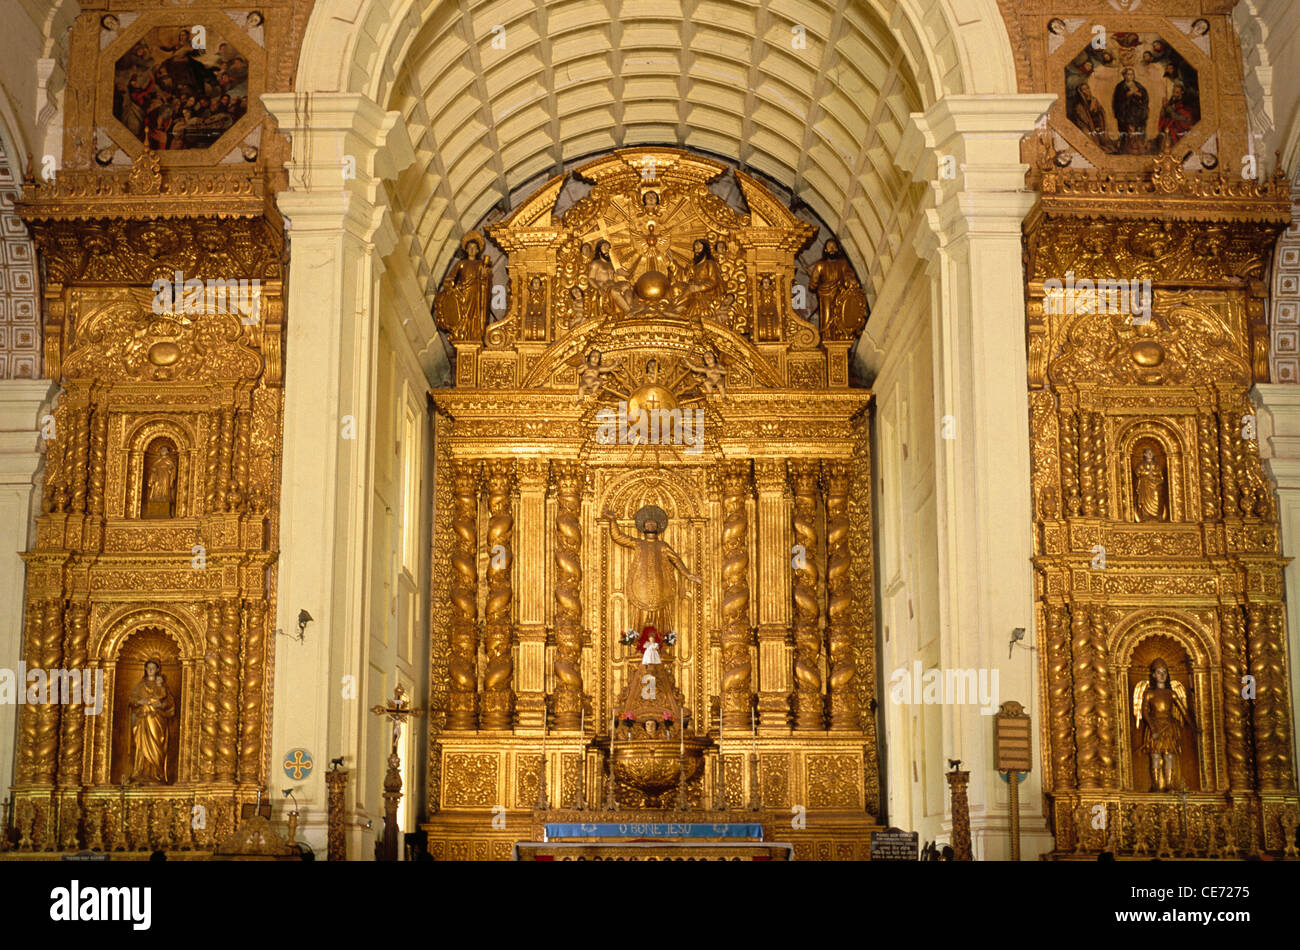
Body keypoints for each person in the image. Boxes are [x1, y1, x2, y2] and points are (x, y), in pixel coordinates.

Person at [602, 504, 701, 635]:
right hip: (640, 587)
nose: (650, 526)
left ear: (658, 527)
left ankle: (661, 644)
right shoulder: (638, 544)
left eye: (653, 525)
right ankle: (638, 643)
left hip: (660, 587)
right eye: (648, 524)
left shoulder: (662, 546)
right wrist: (613, 520)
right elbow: (618, 537)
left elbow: (676, 559)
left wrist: (687, 574)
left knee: (659, 614)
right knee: (640, 612)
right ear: (643, 527)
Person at [129, 660, 175, 785]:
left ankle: (156, 772)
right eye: (148, 668)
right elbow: (132, 699)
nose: (150, 670)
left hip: (157, 720)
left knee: (157, 744)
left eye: (153, 668)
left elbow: (170, 703)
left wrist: (161, 704)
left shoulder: (162, 686)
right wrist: (139, 702)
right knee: (141, 746)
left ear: (157, 670)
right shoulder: (141, 685)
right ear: (145, 669)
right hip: (143, 719)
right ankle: (141, 772)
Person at [1113, 68, 1150, 154]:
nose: (1130, 76)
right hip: (1126, 112)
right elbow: (1118, 100)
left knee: (1138, 129)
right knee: (1128, 129)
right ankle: (1127, 146)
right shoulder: (1120, 86)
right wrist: (1128, 94)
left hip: (1137, 112)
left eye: (1132, 74)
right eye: (1128, 74)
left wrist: (1138, 94)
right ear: (1124, 75)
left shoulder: (1138, 85)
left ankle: (1138, 145)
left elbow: (1145, 97)